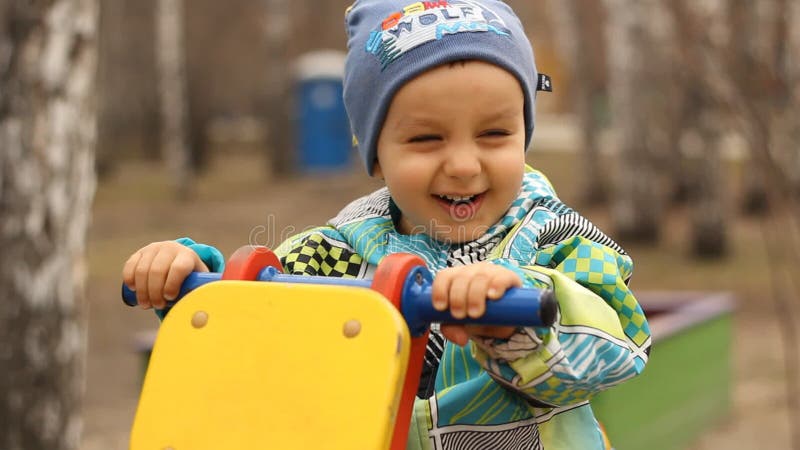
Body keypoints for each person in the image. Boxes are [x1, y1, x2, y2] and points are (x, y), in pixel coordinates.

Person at [122, 1, 651, 448]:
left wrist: (519, 319)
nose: (465, 165)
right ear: (375, 154)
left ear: (524, 136)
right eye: (426, 139)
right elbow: (257, 319)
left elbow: (621, 342)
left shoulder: (555, 237)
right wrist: (187, 282)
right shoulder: (338, 251)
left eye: (494, 134)